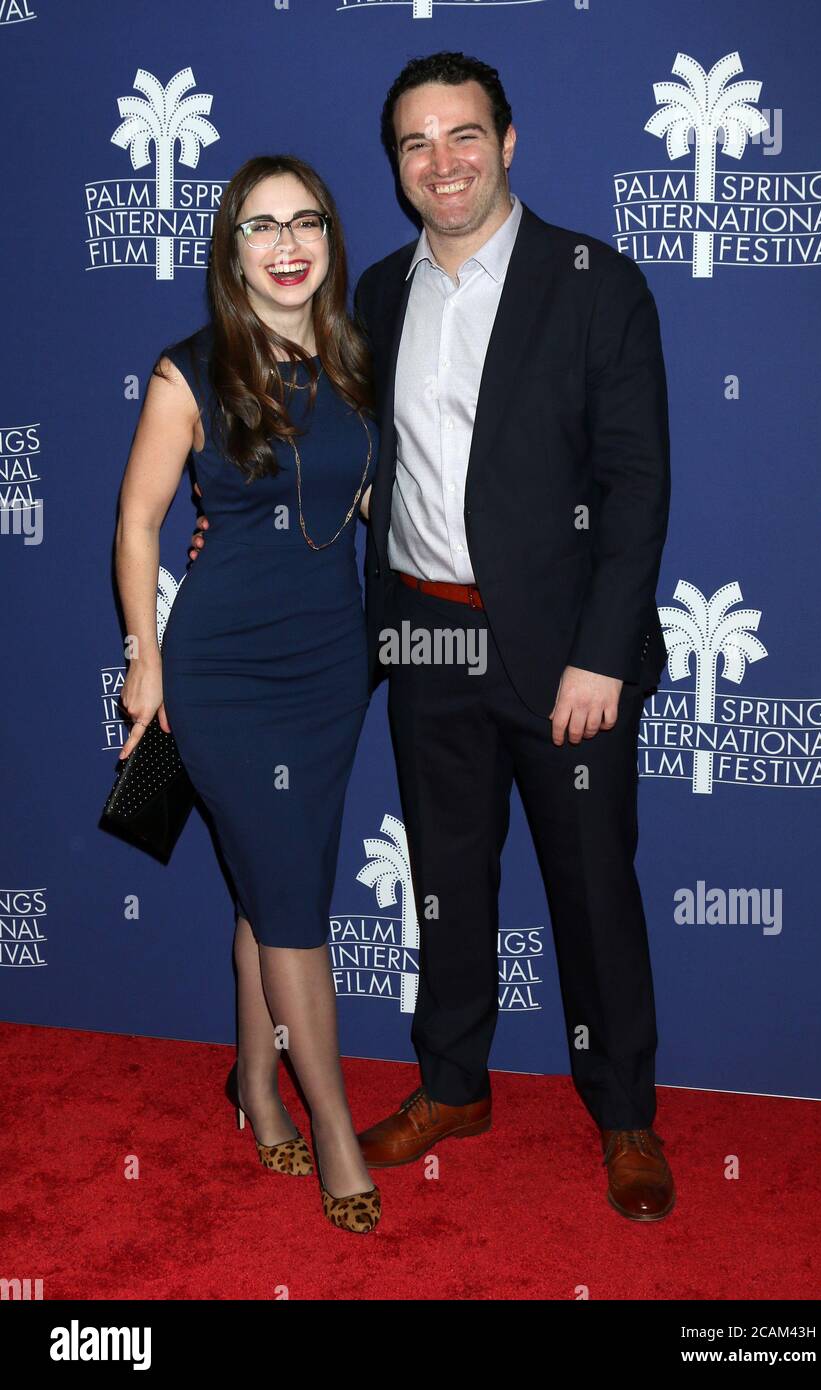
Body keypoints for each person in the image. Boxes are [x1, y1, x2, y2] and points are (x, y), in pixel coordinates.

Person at [192, 51, 675, 1221]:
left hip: (563, 652)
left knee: (590, 888)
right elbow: (332, 468)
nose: (441, 162)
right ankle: (453, 1084)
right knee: (445, 882)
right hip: (423, 635)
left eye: (463, 136)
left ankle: (622, 1115)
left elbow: (636, 483)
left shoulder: (592, 283)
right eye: (416, 144)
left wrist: (601, 652)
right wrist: (233, 536)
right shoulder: (378, 301)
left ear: (507, 143)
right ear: (397, 168)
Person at [114, 154, 381, 1235]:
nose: (285, 243)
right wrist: (145, 655)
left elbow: (367, 499)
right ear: (232, 249)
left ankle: (255, 1084)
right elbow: (138, 521)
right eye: (260, 225)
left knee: (269, 892)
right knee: (293, 909)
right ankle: (333, 1126)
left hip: (329, 666)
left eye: (304, 221)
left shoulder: (361, 361)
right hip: (222, 668)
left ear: (327, 238)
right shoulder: (190, 371)